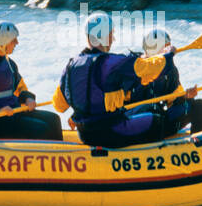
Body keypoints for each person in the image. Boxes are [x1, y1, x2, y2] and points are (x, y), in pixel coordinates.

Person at [53, 12, 173, 149]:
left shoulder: (70, 66)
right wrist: (168, 54)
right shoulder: (112, 63)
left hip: (84, 133)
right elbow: (151, 68)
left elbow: (59, 105)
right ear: (103, 36)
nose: (113, 39)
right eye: (111, 34)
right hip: (111, 132)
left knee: (141, 109)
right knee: (156, 120)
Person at [0, 21, 64, 140]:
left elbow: (20, 88)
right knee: (41, 129)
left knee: (54, 119)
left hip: (12, 113)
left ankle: (61, 154)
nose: (17, 43)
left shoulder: (9, 64)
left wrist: (27, 98)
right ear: (2, 42)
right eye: (13, 40)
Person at [129, 28, 202, 135]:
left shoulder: (168, 69)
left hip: (160, 119)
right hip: (145, 124)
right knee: (200, 106)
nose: (169, 48)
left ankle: (199, 142)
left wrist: (186, 96)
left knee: (199, 105)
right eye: (167, 45)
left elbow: (175, 100)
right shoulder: (136, 67)